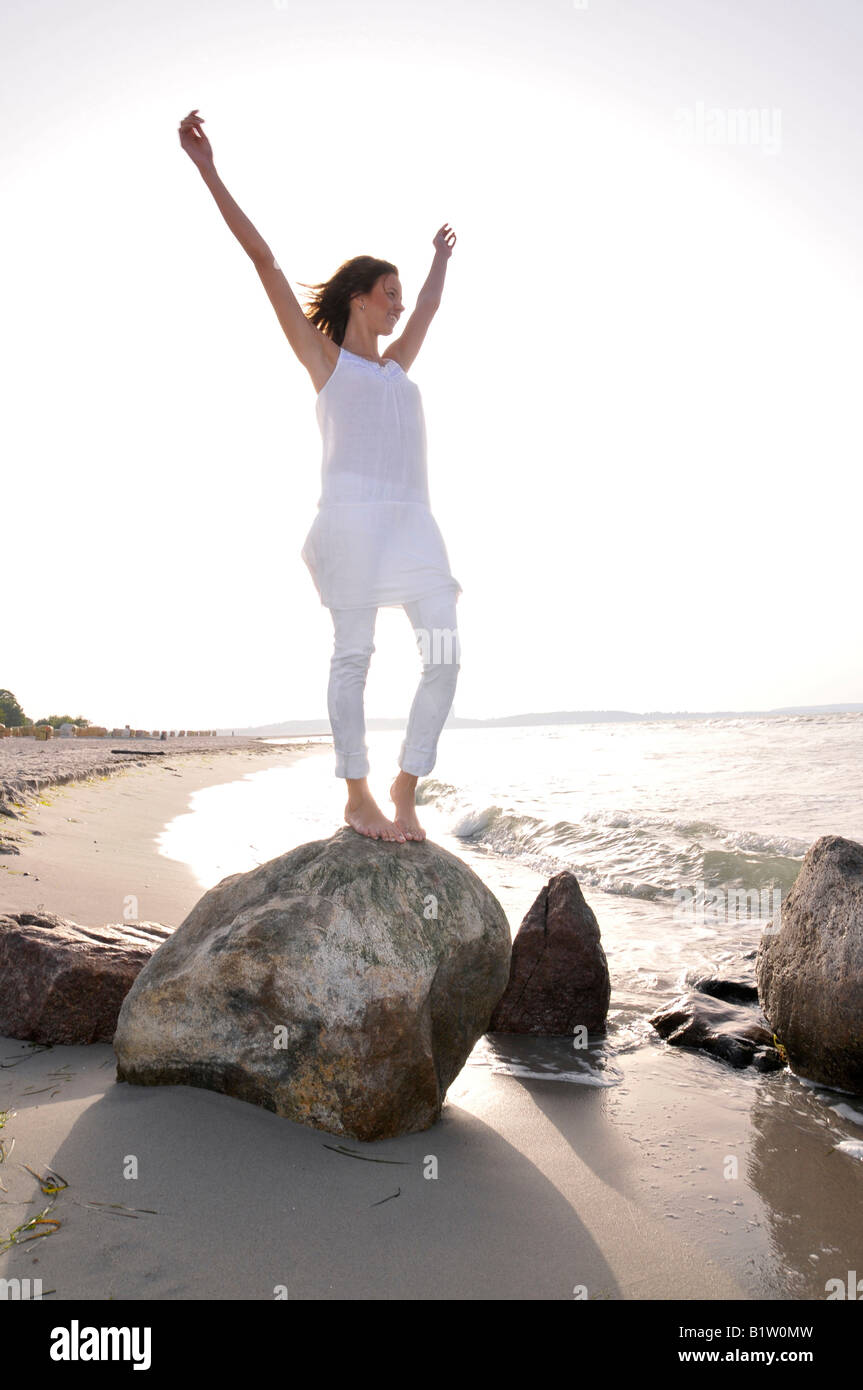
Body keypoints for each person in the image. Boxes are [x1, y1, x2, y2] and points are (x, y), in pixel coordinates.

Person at [178, 110, 462, 844]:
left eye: (401, 296)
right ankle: (357, 794)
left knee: (444, 652)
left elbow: (432, 304)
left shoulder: (397, 368)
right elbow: (265, 263)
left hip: (411, 523)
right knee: (354, 656)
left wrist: (437, 261)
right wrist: (208, 169)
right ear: (360, 297)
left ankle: (406, 788)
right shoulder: (325, 362)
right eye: (389, 293)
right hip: (349, 523)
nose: (400, 306)